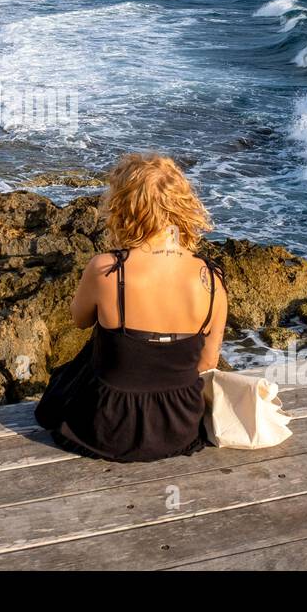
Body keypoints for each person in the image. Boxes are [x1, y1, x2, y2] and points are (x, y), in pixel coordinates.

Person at [36, 153, 228, 462]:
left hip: (106, 428)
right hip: (178, 427)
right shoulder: (211, 279)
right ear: (182, 206)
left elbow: (79, 320)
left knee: (87, 357)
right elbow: (207, 362)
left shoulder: (108, 270)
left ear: (124, 209)